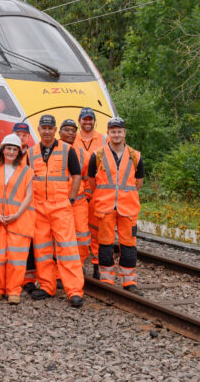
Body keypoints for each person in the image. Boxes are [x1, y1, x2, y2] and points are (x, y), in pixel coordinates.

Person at [26, 114, 85, 308]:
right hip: (39, 208)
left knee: (67, 250)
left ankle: (74, 290)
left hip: (61, 207)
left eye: (50, 128)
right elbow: (27, 178)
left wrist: (71, 198)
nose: (46, 131)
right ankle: (46, 286)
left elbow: (77, 175)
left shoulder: (68, 150)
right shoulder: (31, 152)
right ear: (39, 129)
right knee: (42, 250)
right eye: (43, 127)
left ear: (55, 130)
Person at [88, 117, 145, 294]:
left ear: (124, 133)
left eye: (119, 131)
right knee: (104, 244)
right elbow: (92, 182)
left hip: (128, 209)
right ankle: (107, 280)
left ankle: (129, 282)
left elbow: (139, 182)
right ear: (108, 133)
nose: (116, 134)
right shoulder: (97, 155)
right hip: (105, 208)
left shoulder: (136, 156)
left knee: (129, 245)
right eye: (113, 131)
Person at [0, 133, 35, 305]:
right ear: (2, 150)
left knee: (17, 258)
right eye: (8, 148)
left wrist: (16, 214)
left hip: (19, 219)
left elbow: (29, 196)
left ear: (19, 152)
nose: (10, 152)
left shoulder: (27, 171)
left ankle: (14, 290)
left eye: (14, 149)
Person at [59, 119, 93, 272]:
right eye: (66, 130)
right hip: (58, 201)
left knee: (82, 235)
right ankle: (61, 267)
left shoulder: (83, 154)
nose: (70, 133)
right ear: (59, 132)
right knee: (61, 236)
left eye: (73, 130)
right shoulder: (53, 151)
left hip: (78, 202)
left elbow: (88, 178)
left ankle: (78, 264)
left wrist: (85, 195)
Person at [75, 107, 105, 277]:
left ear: (94, 121)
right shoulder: (72, 139)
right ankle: (79, 264)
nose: (87, 122)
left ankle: (96, 264)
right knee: (79, 230)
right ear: (79, 121)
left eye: (90, 119)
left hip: (98, 190)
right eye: (84, 119)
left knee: (96, 229)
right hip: (79, 190)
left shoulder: (103, 139)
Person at [11, 122, 37, 292]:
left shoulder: (34, 155)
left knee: (31, 244)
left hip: (30, 205)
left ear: (28, 137)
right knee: (12, 245)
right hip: (11, 206)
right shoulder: (7, 153)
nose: (21, 138)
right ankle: (12, 278)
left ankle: (28, 279)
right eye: (18, 134)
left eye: (24, 135)